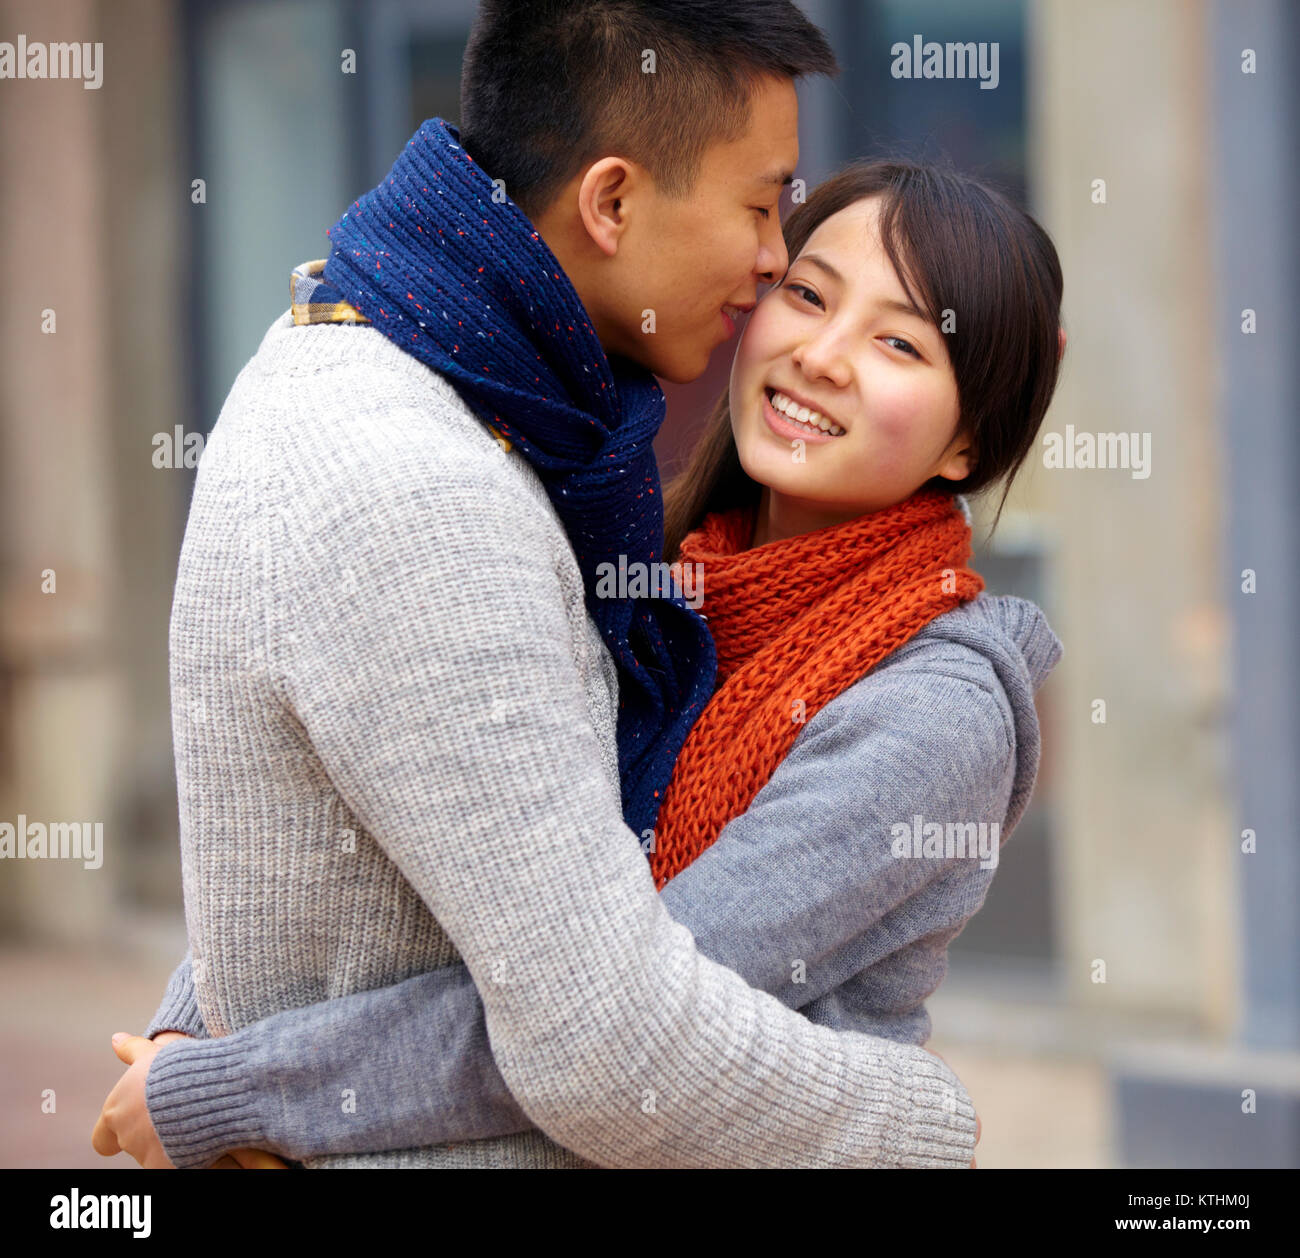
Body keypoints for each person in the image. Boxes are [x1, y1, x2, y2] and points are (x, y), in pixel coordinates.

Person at [91, 0, 985, 1170]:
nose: (772, 267)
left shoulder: (397, 367)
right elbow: (607, 1039)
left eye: (902, 341)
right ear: (612, 202)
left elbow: (390, 828)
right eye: (763, 211)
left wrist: (216, 1066)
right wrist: (935, 1124)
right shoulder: (428, 488)